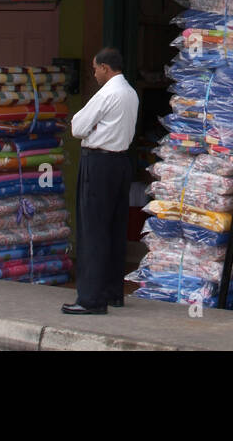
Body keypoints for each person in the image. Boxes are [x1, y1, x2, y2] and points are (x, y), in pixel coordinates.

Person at [63, 47, 138, 315]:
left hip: (98, 163)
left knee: (93, 230)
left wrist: (92, 128)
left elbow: (78, 127)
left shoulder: (107, 93)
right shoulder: (130, 92)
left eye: (95, 68)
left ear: (106, 68)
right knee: (114, 228)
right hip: (120, 163)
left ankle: (91, 299)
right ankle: (112, 292)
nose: (93, 73)